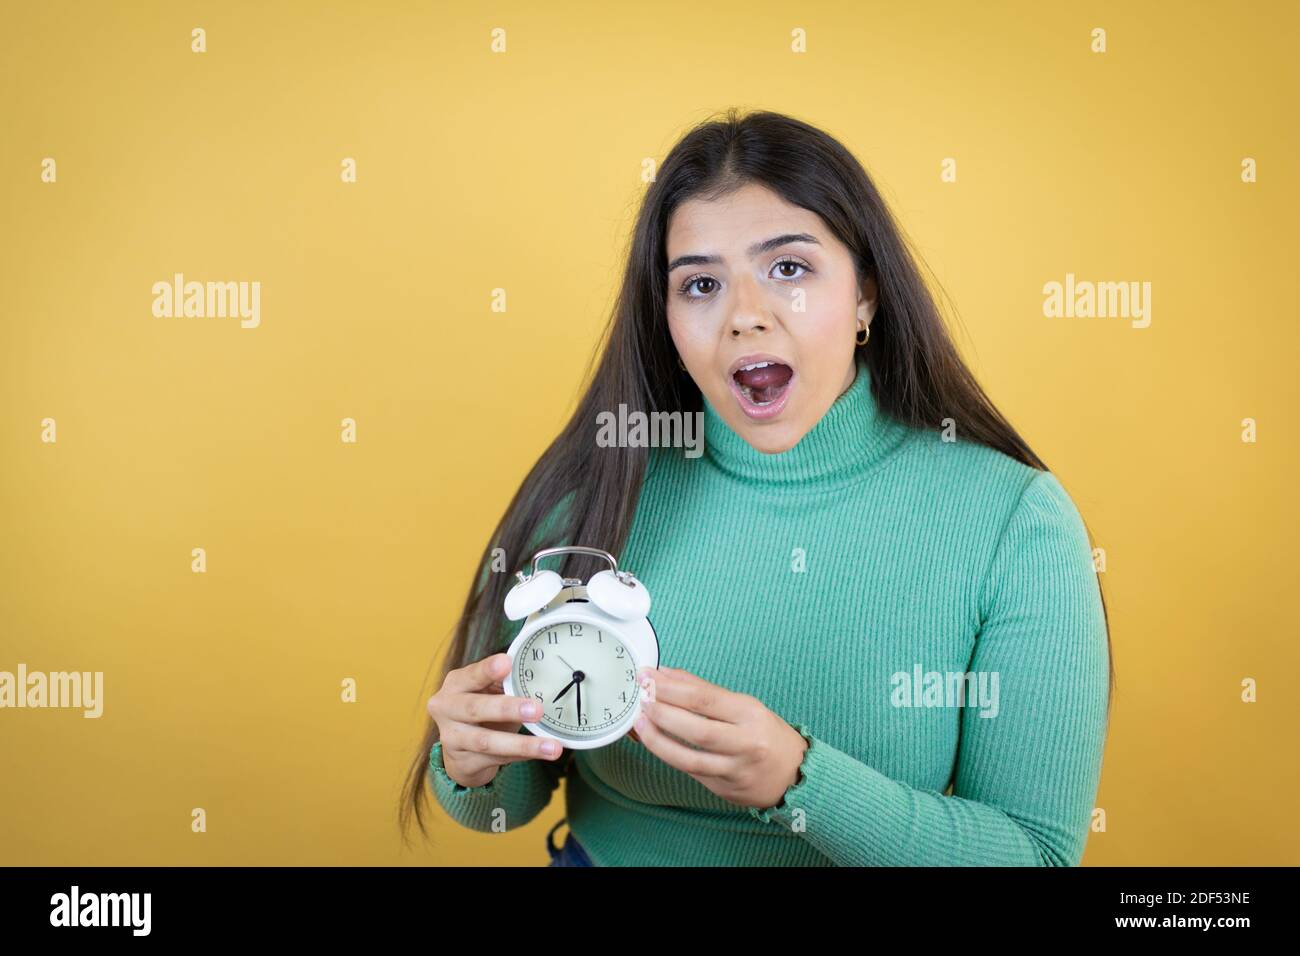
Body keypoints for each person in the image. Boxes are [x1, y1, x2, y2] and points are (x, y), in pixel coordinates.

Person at [400, 108, 1113, 867]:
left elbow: (1036, 855)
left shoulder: (1014, 521)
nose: (744, 316)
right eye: (701, 283)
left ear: (865, 293)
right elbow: (502, 805)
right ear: (665, 316)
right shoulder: (598, 487)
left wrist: (798, 782)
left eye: (789, 269)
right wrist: (471, 760)